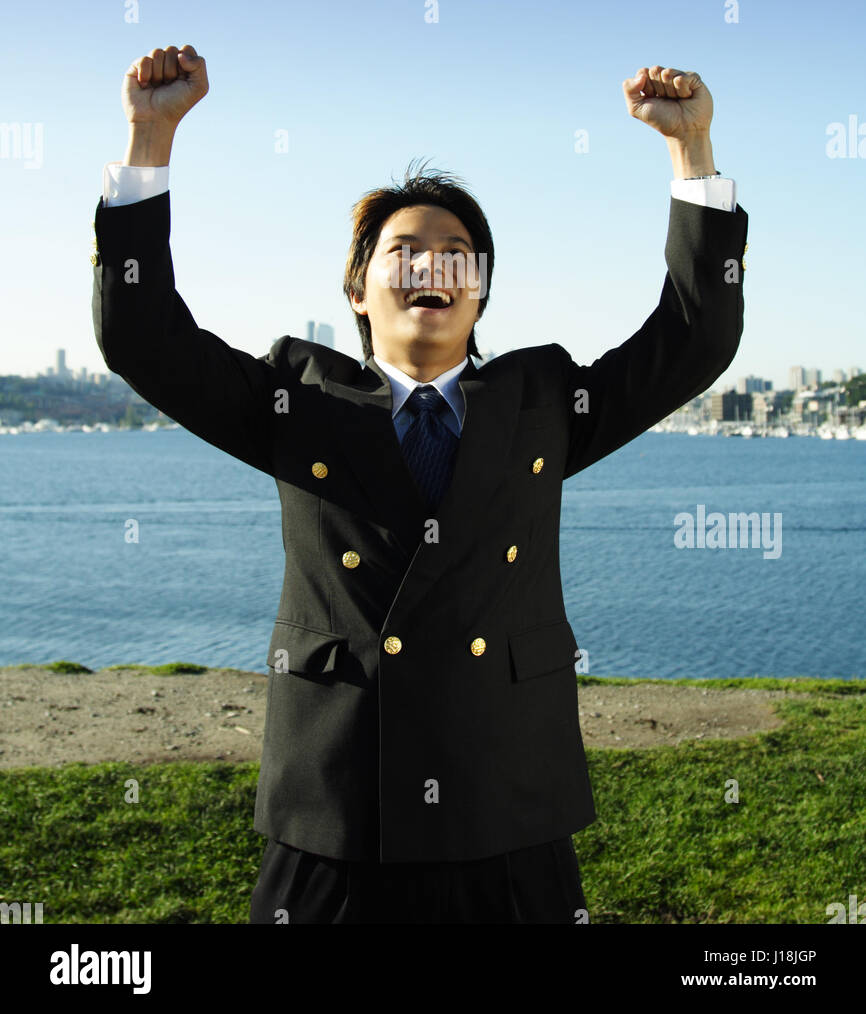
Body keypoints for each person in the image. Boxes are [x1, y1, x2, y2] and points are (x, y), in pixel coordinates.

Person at [91, 45, 748, 924]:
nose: (432, 267)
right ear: (358, 289)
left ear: (480, 294)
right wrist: (149, 138)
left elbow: (694, 337)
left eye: (457, 254)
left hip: (509, 808)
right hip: (336, 813)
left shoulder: (541, 398)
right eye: (404, 251)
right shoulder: (296, 398)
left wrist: (691, 154)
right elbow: (144, 336)